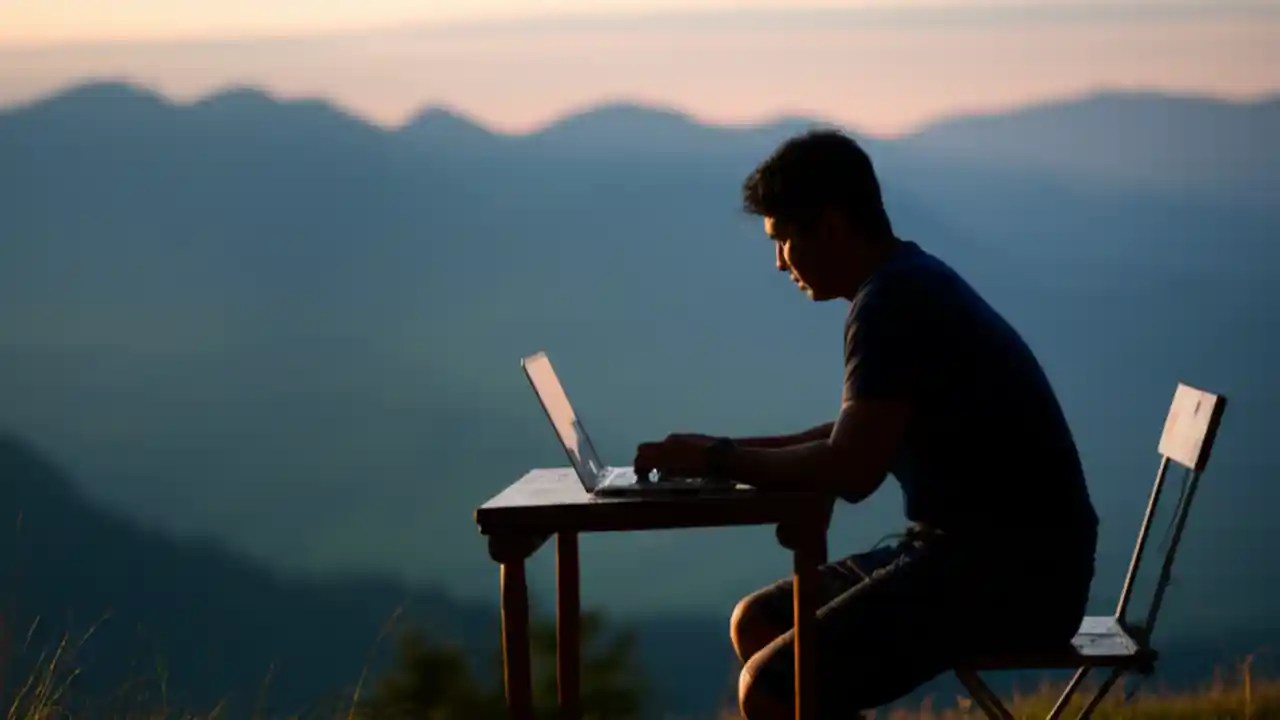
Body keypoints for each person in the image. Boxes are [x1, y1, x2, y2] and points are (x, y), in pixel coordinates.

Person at [633, 130, 1098, 719]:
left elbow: (851, 470)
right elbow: (854, 432)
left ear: (829, 228)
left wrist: (720, 459)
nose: (780, 263)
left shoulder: (891, 302)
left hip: (1010, 579)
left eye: (783, 241)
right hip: (990, 561)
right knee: (759, 622)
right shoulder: (906, 279)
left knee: (772, 689)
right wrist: (710, 451)